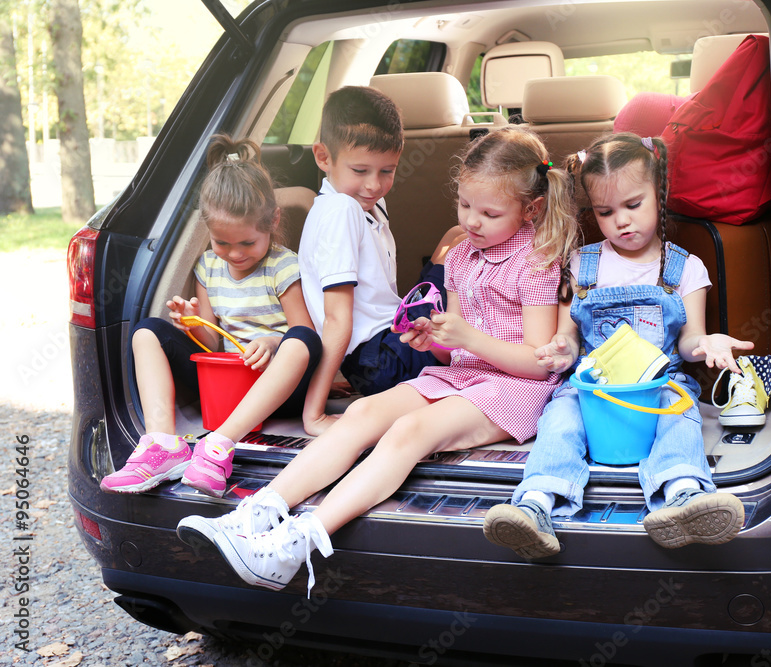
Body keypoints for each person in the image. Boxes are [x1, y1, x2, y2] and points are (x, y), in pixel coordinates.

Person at [176, 126, 579, 596]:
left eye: (489, 213)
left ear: (530, 209)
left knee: (409, 431)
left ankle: (295, 545)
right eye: (464, 205)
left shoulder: (538, 262)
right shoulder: (463, 257)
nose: (471, 220)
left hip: (514, 388)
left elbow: (537, 364)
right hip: (461, 375)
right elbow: (456, 349)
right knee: (365, 411)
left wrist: (466, 336)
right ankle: (258, 512)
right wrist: (434, 341)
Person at [483, 132, 753, 559]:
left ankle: (683, 496)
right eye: (606, 212)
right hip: (592, 388)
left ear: (658, 195)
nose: (622, 221)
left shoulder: (685, 268)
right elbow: (569, 337)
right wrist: (561, 351)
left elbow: (687, 343)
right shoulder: (582, 263)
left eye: (633, 205)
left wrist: (708, 345)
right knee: (560, 418)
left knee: (681, 412)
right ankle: (534, 505)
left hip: (656, 387)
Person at [101, 135, 323, 498]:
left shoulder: (283, 267)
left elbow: (304, 332)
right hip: (225, 385)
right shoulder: (208, 267)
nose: (234, 254)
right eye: (222, 243)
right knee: (146, 332)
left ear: (273, 221)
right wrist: (192, 323)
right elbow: (212, 344)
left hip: (277, 386)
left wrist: (270, 342)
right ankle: (162, 445)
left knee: (303, 342)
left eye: (247, 243)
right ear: (208, 230)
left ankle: (219, 444)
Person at [295, 86, 463, 436]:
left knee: (456, 236)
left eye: (387, 171)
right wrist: (315, 411)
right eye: (360, 170)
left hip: (388, 339)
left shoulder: (361, 204)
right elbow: (337, 317)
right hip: (382, 359)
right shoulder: (341, 210)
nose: (374, 185)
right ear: (323, 157)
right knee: (472, 259)